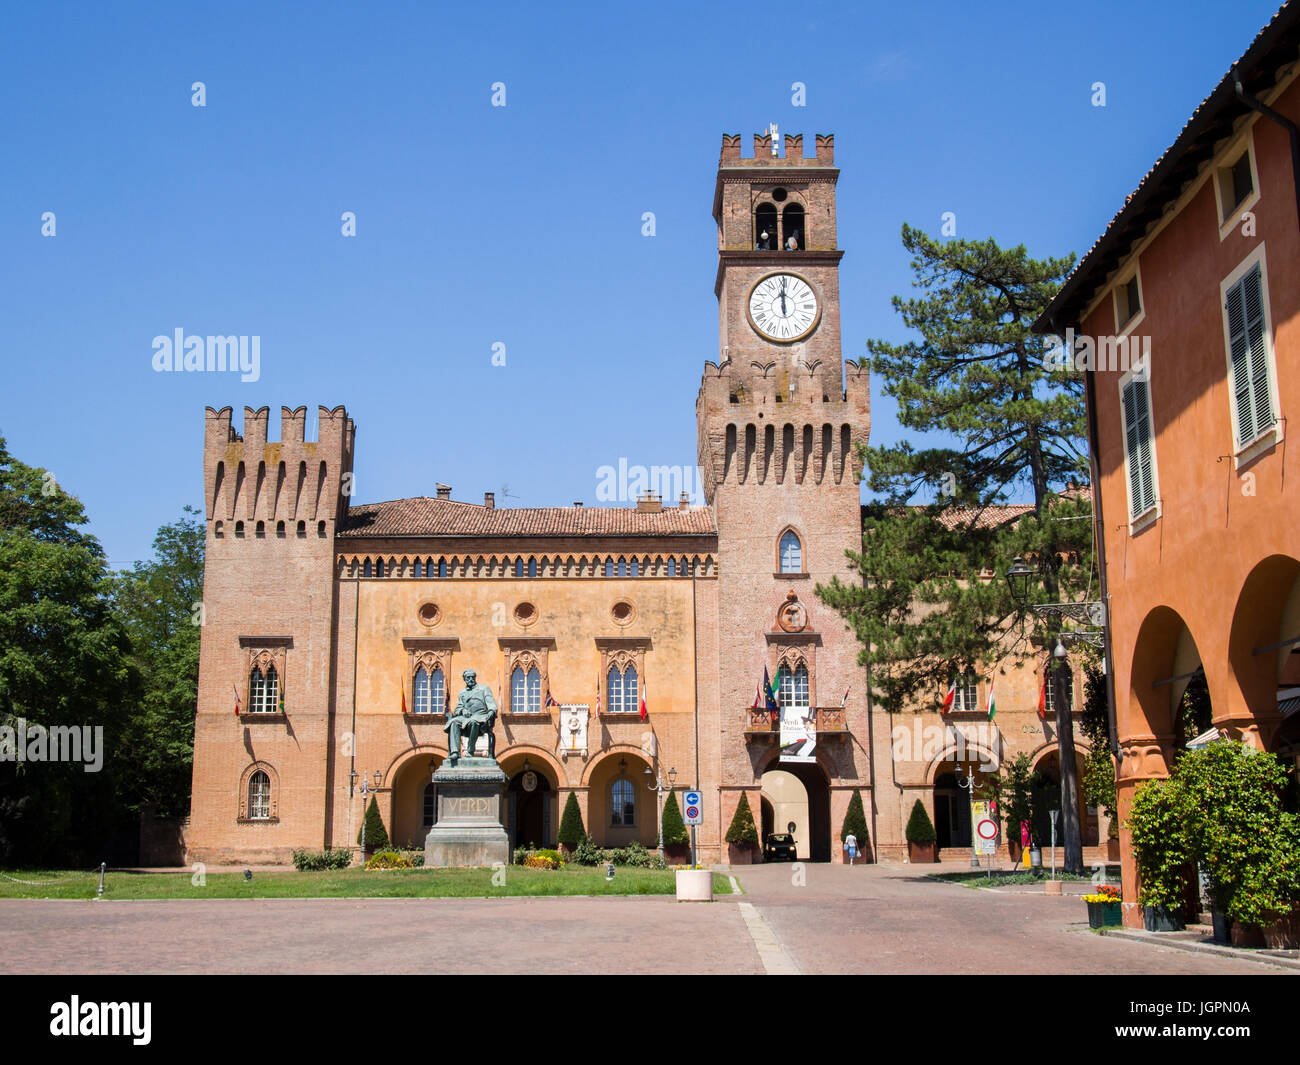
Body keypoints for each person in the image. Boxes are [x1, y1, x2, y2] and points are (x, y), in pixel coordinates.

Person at [444, 669, 498, 764]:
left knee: (474, 722)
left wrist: (492, 711)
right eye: (468, 678)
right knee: (454, 722)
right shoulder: (462, 693)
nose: (470, 679)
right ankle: (455, 751)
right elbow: (457, 709)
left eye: (472, 677)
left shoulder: (484, 689)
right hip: (466, 718)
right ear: (464, 679)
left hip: (481, 716)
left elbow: (491, 702)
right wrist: (462, 710)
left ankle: (470, 750)